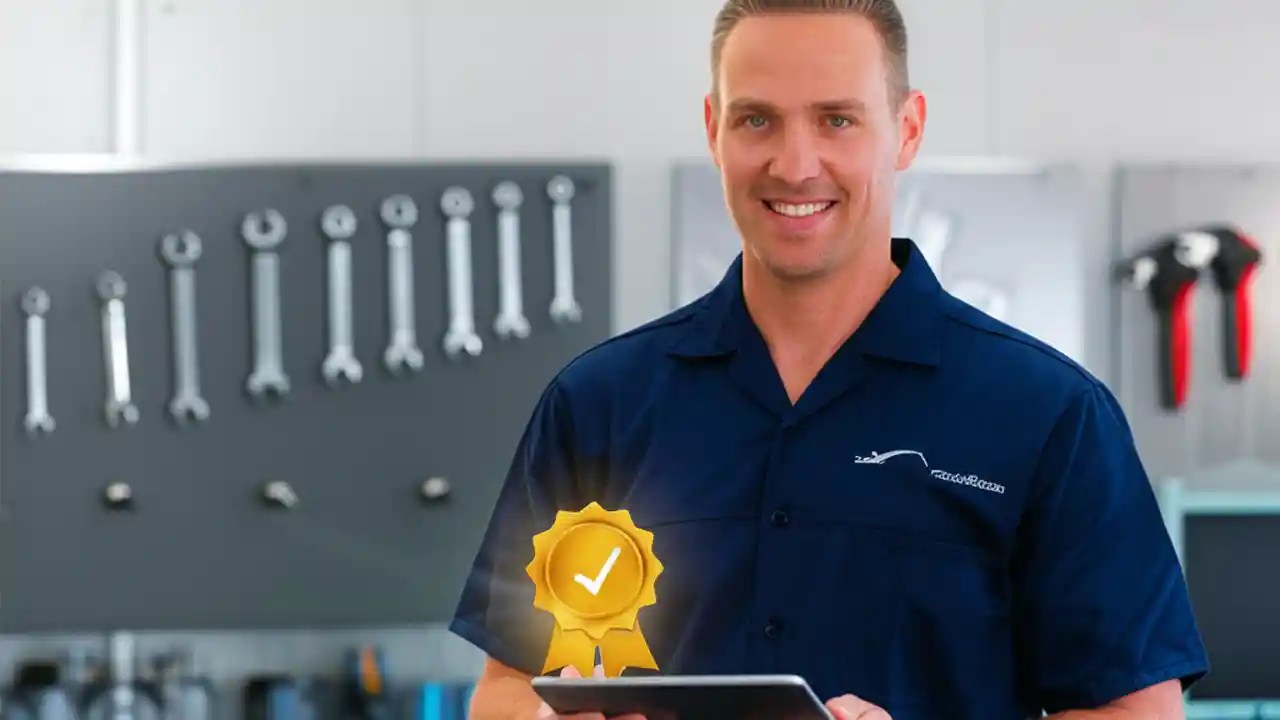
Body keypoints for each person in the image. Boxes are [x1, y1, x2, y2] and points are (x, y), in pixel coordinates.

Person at [449, 1, 1210, 718]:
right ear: (715, 130)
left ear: (906, 130)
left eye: (837, 120)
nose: (795, 163)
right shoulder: (600, 407)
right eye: (757, 120)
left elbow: (1131, 708)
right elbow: (508, 685)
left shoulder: (1050, 418)